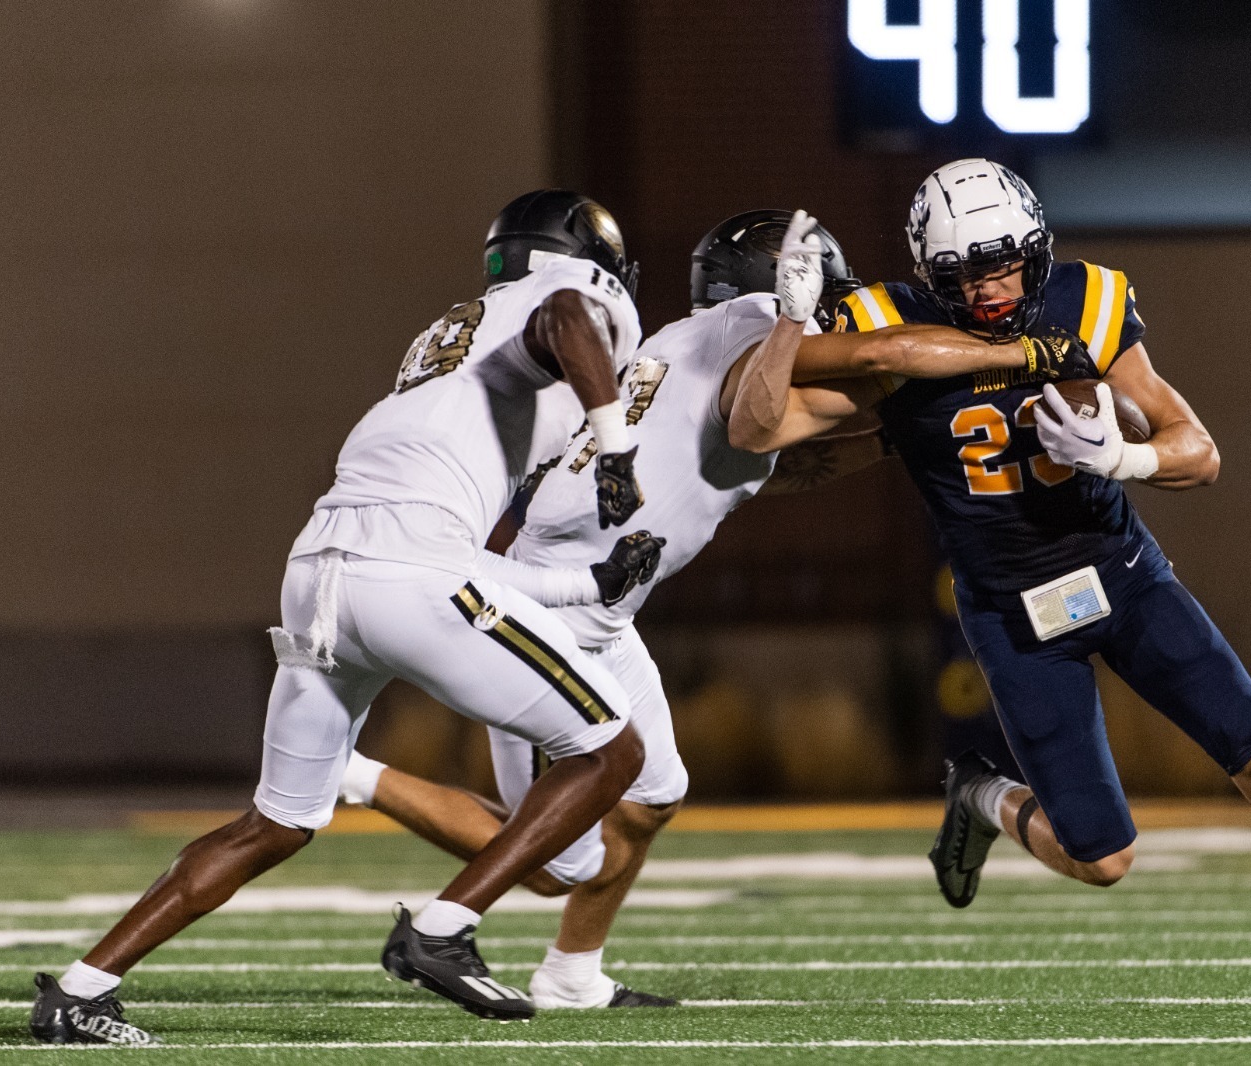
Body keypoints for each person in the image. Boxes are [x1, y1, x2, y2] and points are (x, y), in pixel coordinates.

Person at [733, 158, 1251, 1009]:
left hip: (1126, 577)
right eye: (964, 274)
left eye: (1004, 263)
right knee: (1103, 858)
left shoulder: (1086, 303)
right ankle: (980, 794)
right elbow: (762, 429)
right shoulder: (887, 331)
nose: (990, 290)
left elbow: (1199, 450)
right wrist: (794, 330)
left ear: (1036, 248)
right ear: (929, 277)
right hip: (1016, 614)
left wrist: (1124, 457)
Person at [336, 209, 1043, 1008]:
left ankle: (572, 974)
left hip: (603, 610)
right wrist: (1014, 359)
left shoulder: (683, 344)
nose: (831, 311)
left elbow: (783, 458)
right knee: (546, 864)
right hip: (550, 605)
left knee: (652, 800)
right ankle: (350, 775)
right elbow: (842, 374)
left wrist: (893, 434)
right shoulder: (752, 331)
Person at [31, 190, 677, 1044]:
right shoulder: (564, 298)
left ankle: (81, 989)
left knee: (277, 822)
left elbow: (429, 535)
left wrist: (584, 585)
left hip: (323, 571)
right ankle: (442, 931)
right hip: (408, 568)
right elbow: (566, 313)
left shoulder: (451, 337)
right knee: (612, 746)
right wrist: (617, 449)